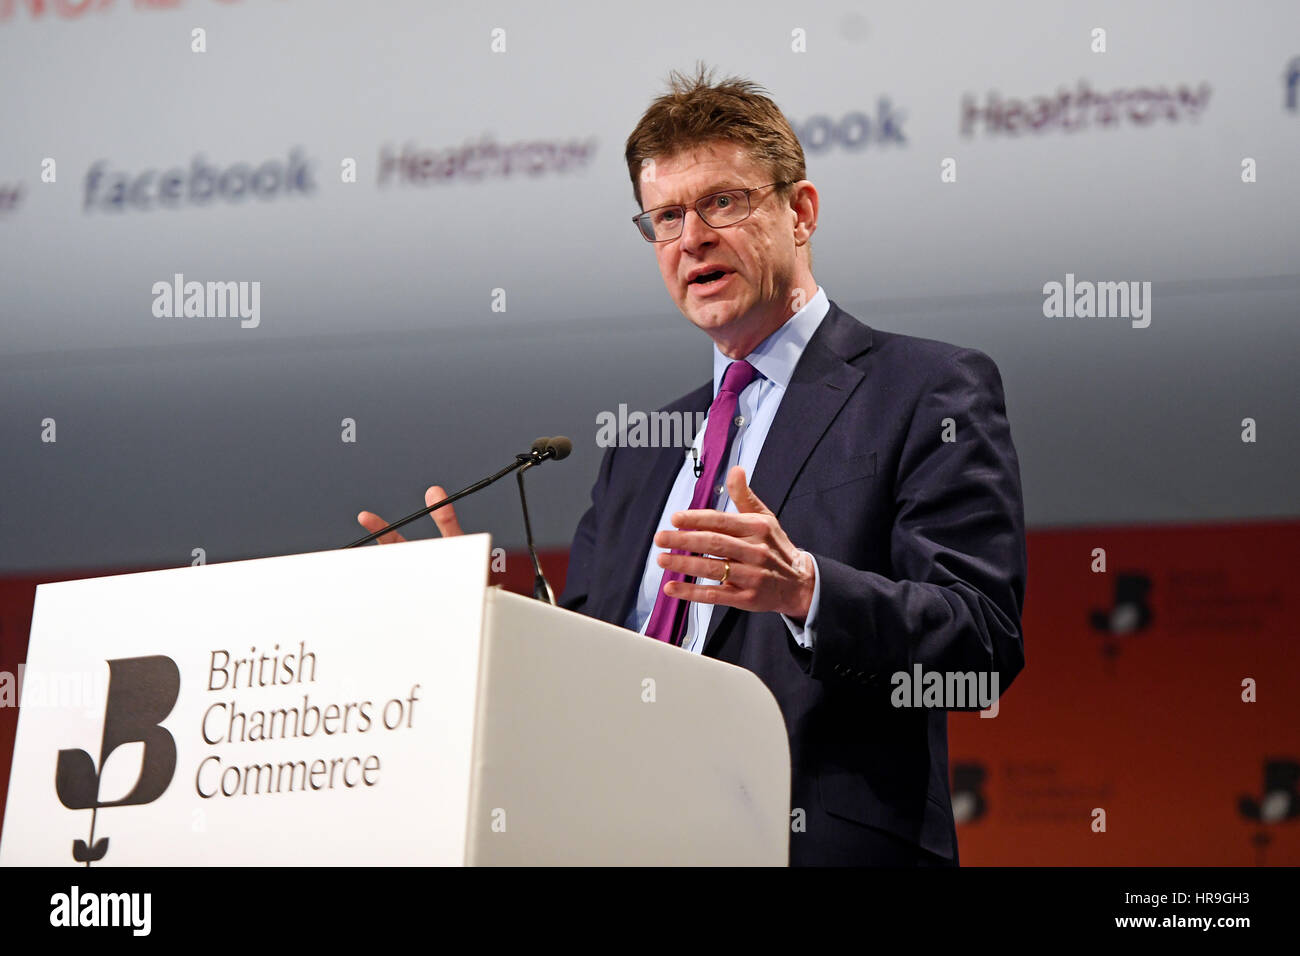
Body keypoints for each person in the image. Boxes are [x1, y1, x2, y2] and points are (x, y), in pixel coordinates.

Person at [358, 65, 1027, 866]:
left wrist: (807, 588)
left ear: (801, 211)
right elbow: (589, 672)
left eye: (722, 202)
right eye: (666, 216)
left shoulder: (923, 388)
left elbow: (981, 646)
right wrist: (482, 629)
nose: (692, 239)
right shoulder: (644, 445)